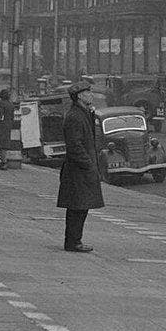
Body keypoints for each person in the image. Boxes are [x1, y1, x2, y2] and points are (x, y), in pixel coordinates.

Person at [56, 79, 105, 252]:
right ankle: (73, 242)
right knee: (77, 207)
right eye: (87, 92)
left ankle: (75, 240)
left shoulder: (83, 113)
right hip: (78, 171)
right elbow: (75, 145)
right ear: (79, 96)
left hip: (82, 170)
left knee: (81, 206)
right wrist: (88, 164)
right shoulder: (75, 117)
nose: (91, 95)